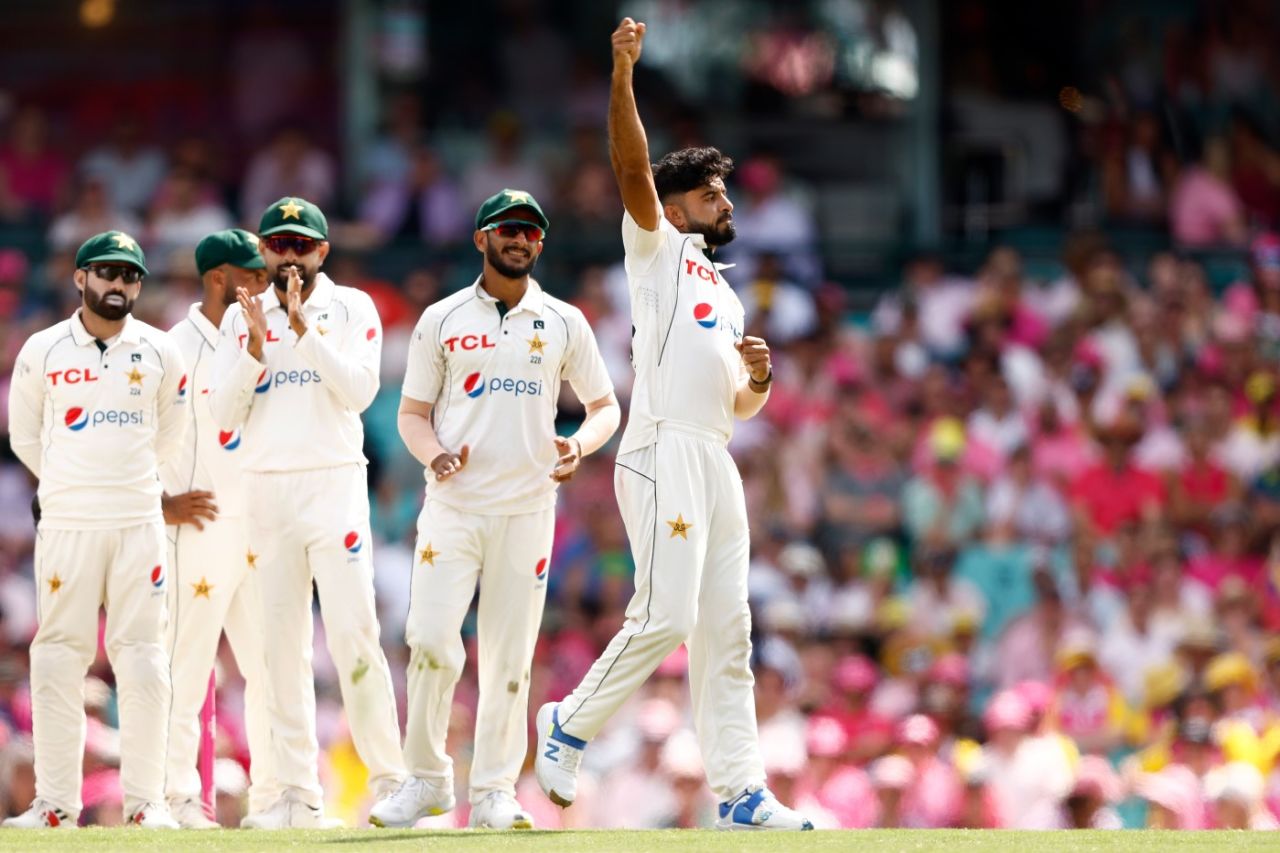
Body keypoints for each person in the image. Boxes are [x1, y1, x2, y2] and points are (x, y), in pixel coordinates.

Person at [533, 18, 813, 831]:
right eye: (712, 192)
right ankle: (570, 721)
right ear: (678, 203)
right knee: (665, 616)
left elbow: (735, 404)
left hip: (715, 455)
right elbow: (628, 164)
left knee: (730, 631)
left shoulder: (724, 291)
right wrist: (622, 73)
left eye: (725, 191)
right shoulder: (656, 248)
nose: (726, 201)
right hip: (658, 451)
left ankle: (741, 789)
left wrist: (757, 378)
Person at [369, 189, 619, 830]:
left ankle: (496, 793)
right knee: (428, 642)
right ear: (481, 238)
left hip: (527, 508)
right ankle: (425, 779)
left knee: (510, 655)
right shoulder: (442, 318)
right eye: (507, 229)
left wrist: (578, 446)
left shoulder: (564, 321)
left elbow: (604, 407)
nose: (519, 239)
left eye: (530, 232)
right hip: (452, 507)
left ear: (540, 244)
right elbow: (412, 414)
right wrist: (435, 456)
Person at [208, 198, 405, 828]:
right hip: (267, 486)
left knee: (355, 635)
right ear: (264, 250)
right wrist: (256, 348)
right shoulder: (242, 318)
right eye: (279, 244)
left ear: (323, 251)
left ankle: (391, 784)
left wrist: (303, 329)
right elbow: (222, 415)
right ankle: (296, 793)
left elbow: (359, 391)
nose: (289, 255)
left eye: (302, 244)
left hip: (333, 484)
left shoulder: (353, 308)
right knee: (279, 647)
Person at [5, 231, 187, 828]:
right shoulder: (44, 349)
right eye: (106, 273)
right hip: (68, 523)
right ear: (80, 278)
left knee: (143, 657)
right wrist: (72, 486)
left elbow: (169, 437)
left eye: (130, 275)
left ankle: (146, 805)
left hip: (138, 522)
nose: (118, 284)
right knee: (59, 657)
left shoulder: (162, 351)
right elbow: (26, 437)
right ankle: (54, 805)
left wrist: (122, 485)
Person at [159, 229, 277, 828]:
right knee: (187, 665)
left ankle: (274, 797)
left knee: (268, 665)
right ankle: (179, 799)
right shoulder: (168, 347)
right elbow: (140, 434)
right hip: (199, 526)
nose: (263, 281)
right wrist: (159, 503)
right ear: (217, 278)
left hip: (256, 526)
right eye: (251, 272)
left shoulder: (259, 332)